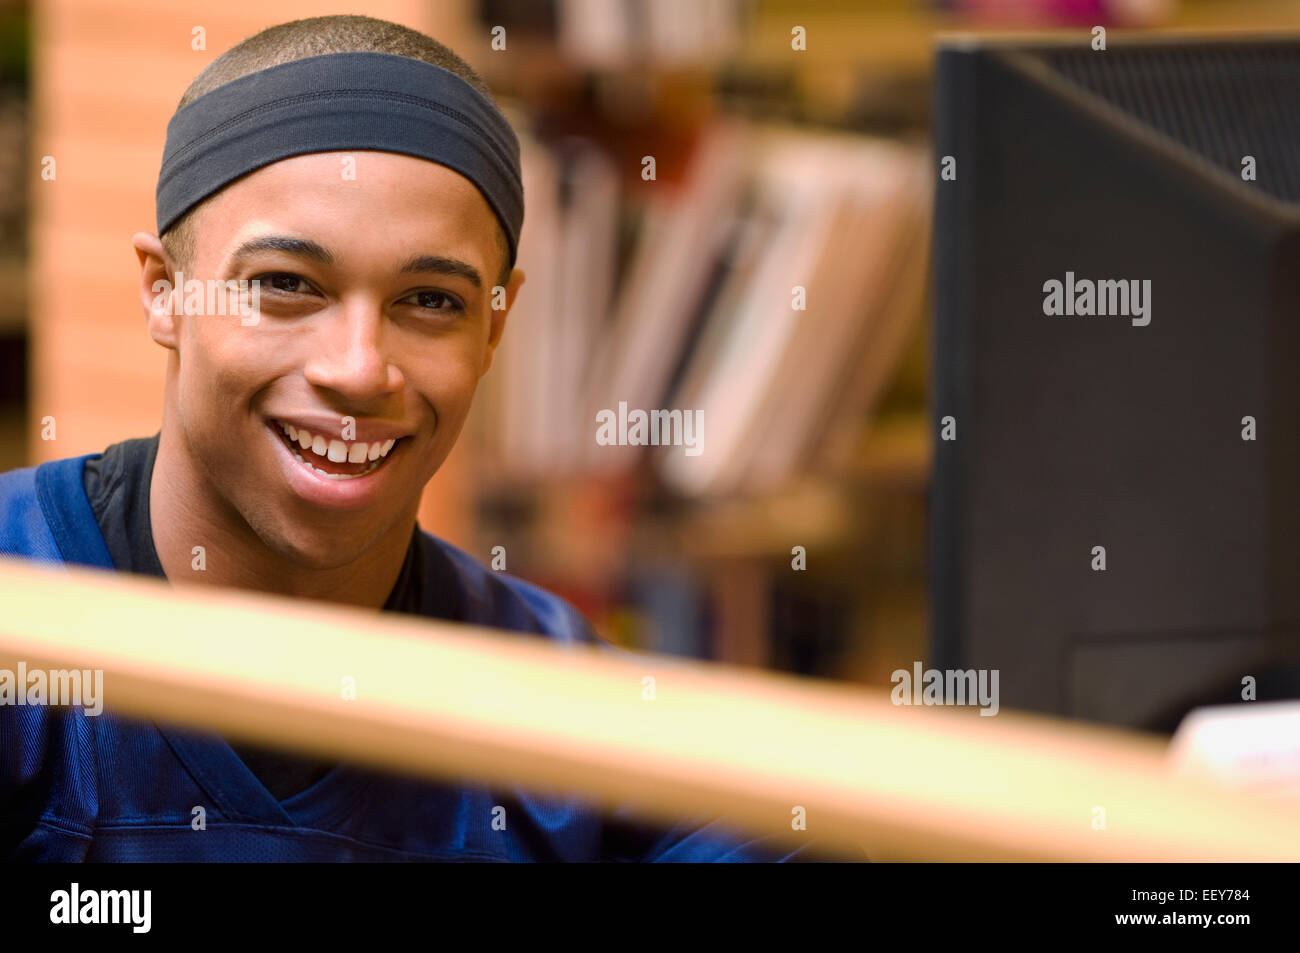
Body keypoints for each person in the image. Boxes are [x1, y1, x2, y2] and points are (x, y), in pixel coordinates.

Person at [0, 14, 846, 862]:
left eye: (431, 300)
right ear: (164, 294)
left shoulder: (561, 722)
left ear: (493, 328)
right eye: (287, 284)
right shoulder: (24, 613)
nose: (361, 369)